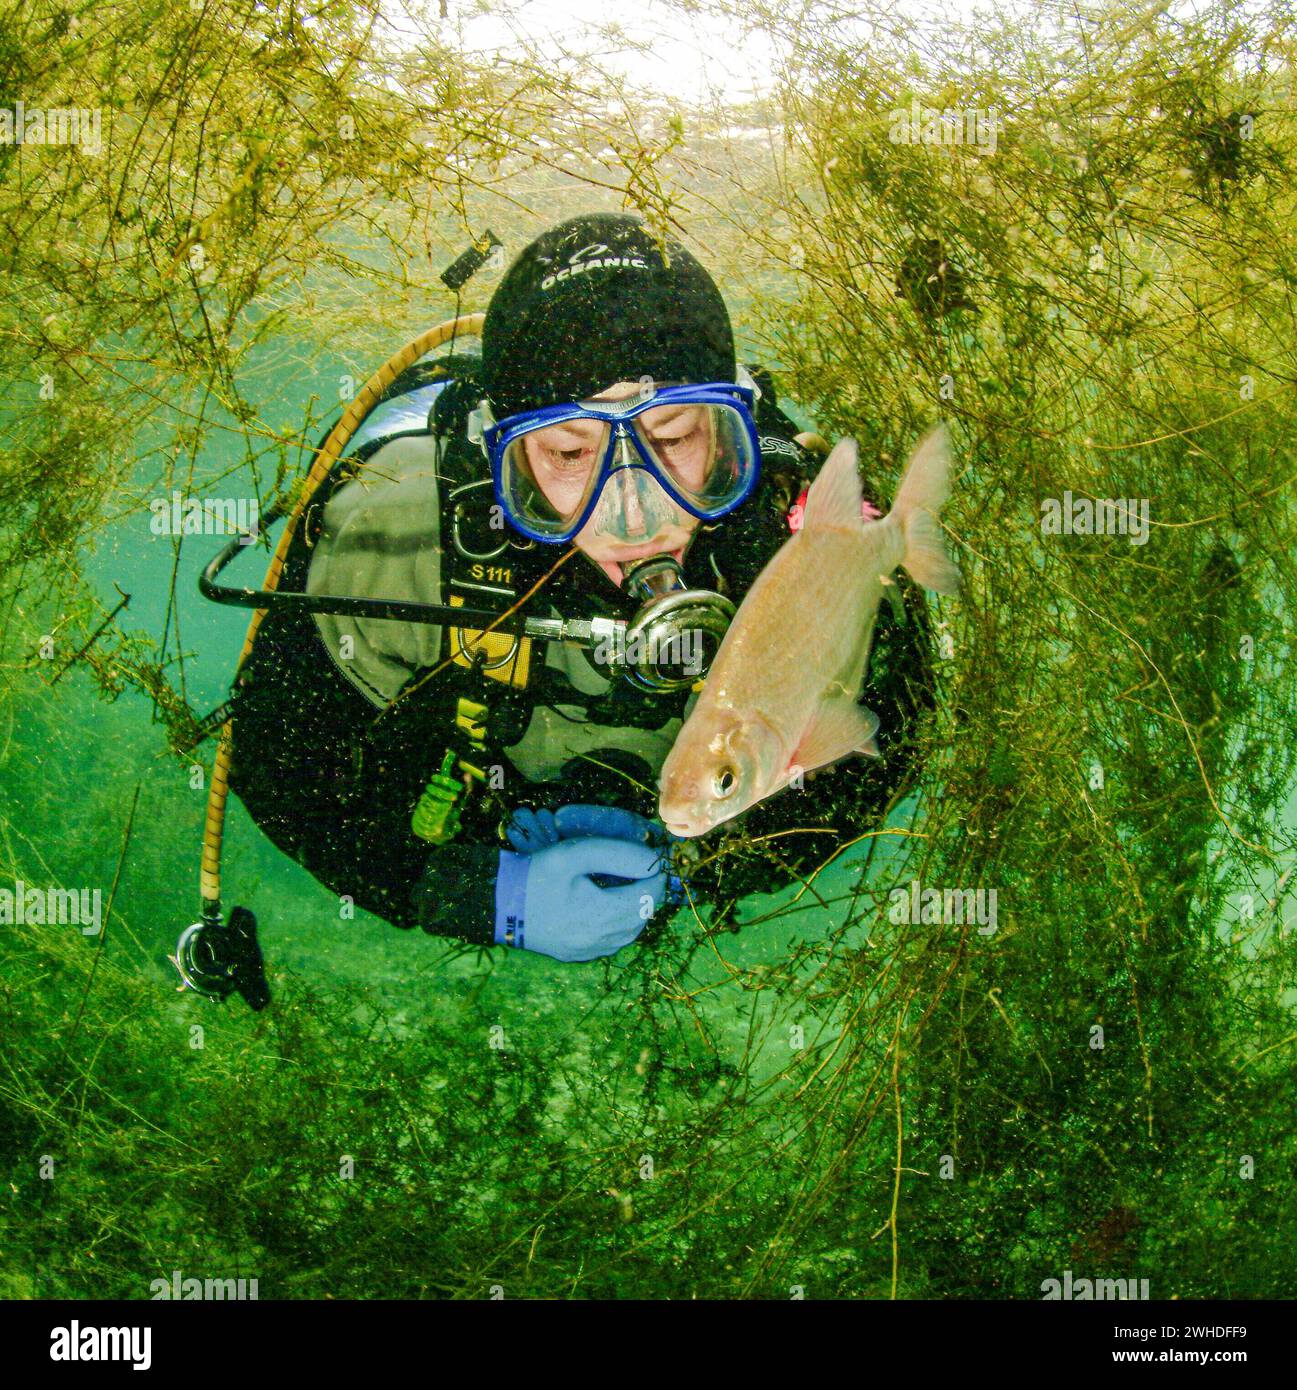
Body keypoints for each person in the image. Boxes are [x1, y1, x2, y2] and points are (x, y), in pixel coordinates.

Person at [227, 212, 937, 964]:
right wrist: (469, 890)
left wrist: (698, 870)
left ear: (729, 435)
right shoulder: (393, 538)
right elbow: (277, 762)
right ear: (503, 457)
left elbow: (894, 734)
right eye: (569, 451)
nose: (633, 512)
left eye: (672, 440)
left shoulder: (796, 537)